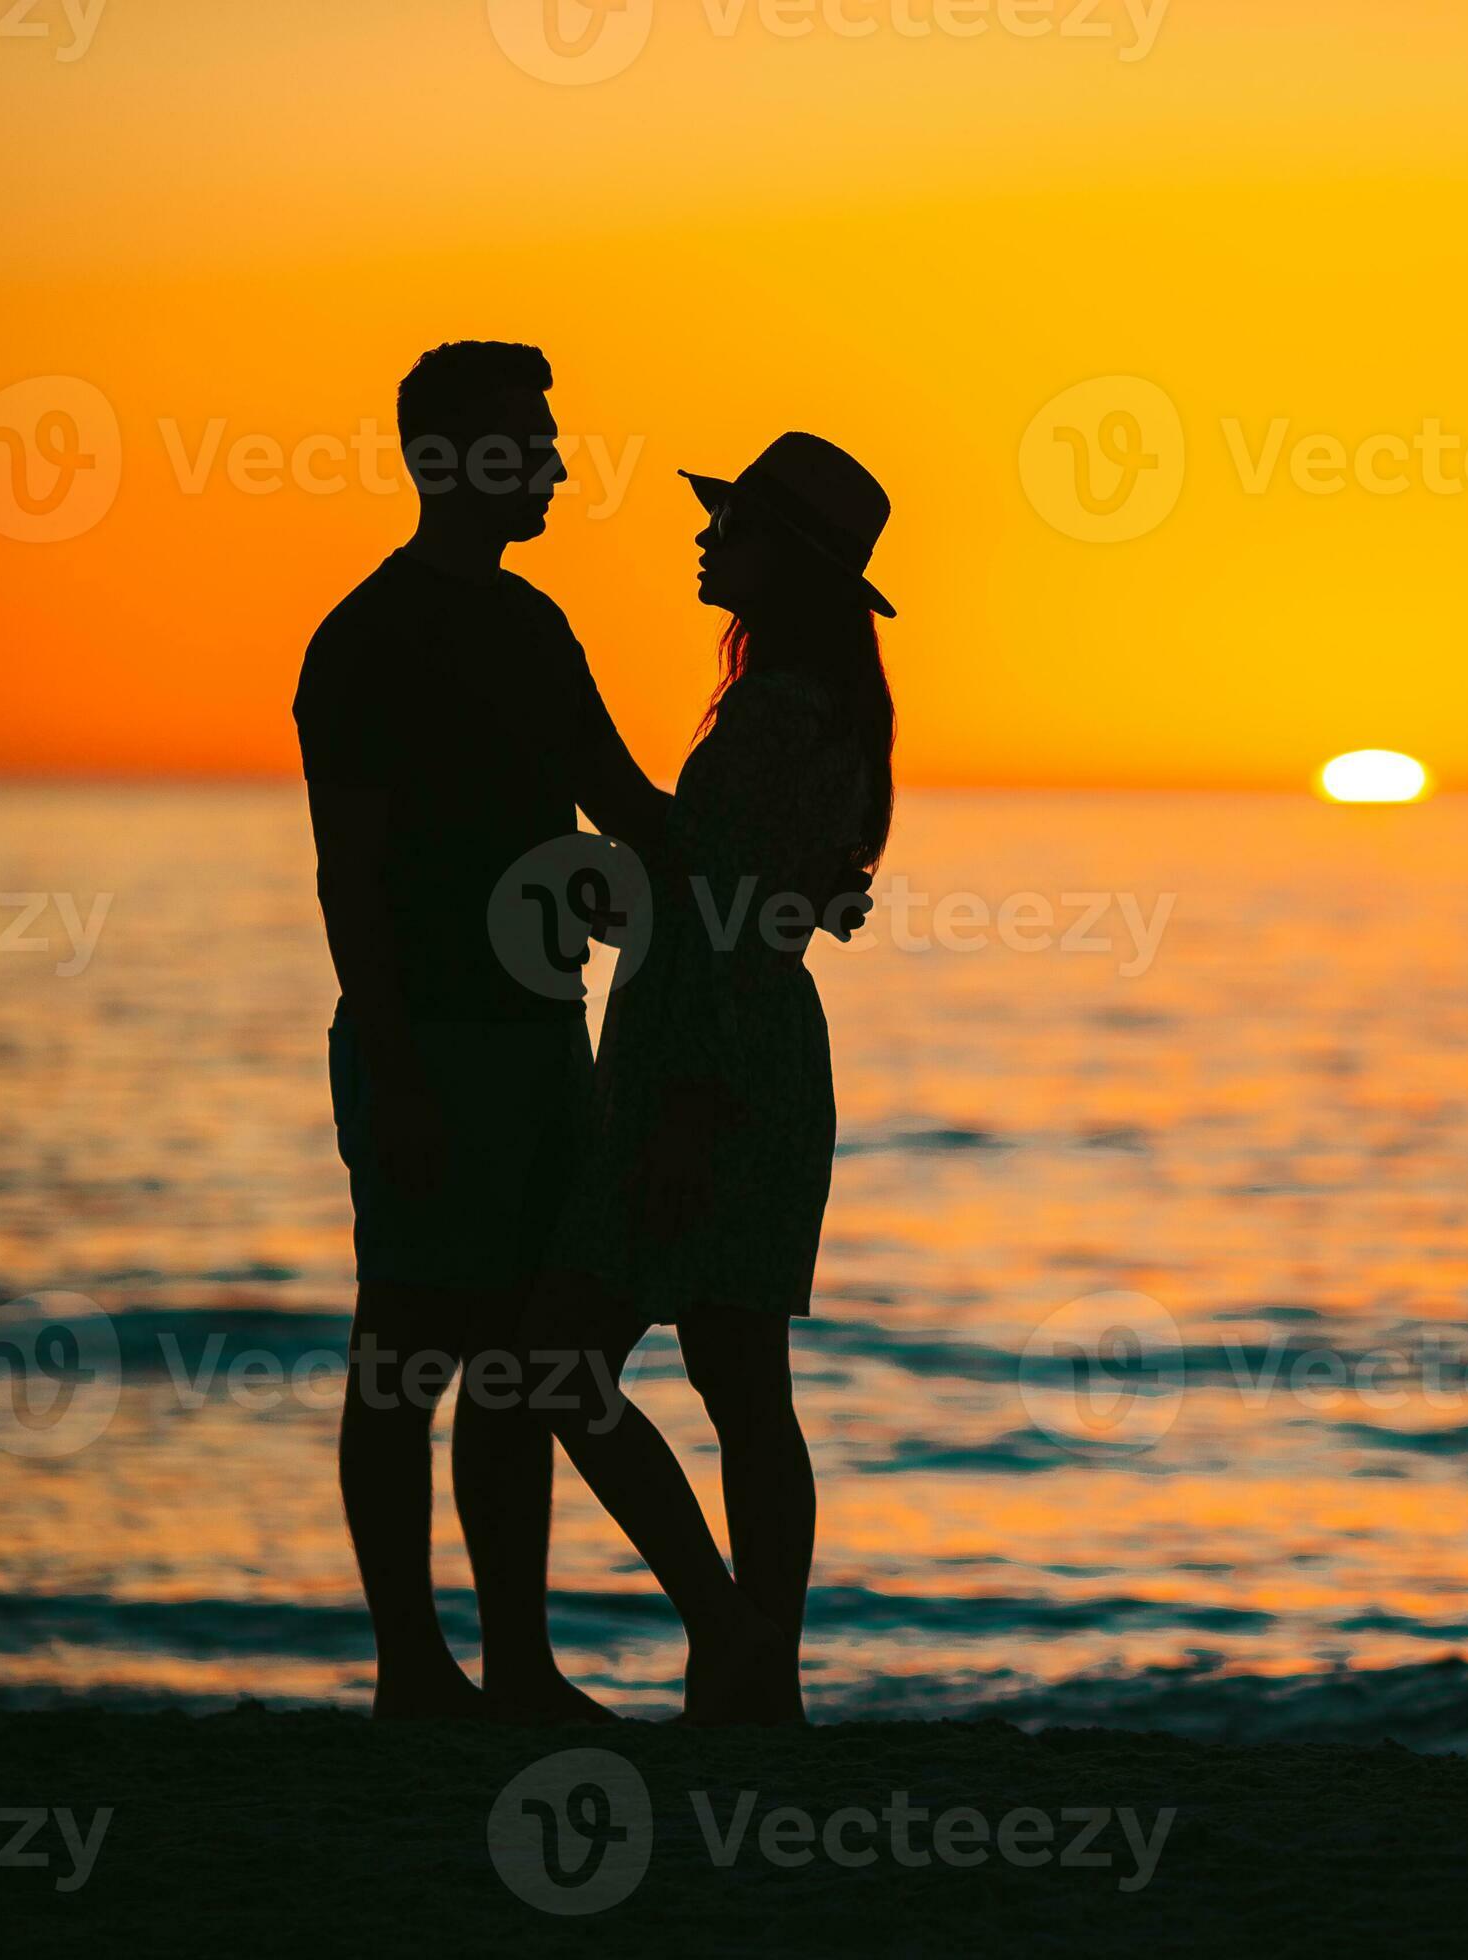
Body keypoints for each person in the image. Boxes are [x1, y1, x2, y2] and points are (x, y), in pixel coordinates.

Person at [294, 341, 668, 1722]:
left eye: (554, 439)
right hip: (428, 1035)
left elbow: (619, 795)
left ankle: (516, 1664)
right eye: (529, 440)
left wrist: (764, 862)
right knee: (404, 1349)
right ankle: (411, 1666)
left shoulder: (535, 627)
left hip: (538, 1035)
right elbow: (350, 872)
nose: (559, 464)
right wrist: (395, 1069)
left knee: (519, 1354)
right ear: (445, 458)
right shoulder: (366, 641)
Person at [519, 433, 897, 1725]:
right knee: (745, 1392)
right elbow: (729, 892)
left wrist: (583, 753)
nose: (700, 539)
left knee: (563, 1361)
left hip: (709, 1062)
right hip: (747, 1053)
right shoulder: (815, 704)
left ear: (776, 558)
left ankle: (729, 1631)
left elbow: (709, 898)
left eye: (724, 523)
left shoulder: (781, 713)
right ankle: (759, 1675)